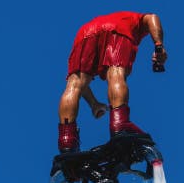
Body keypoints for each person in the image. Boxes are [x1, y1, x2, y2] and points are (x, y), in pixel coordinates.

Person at [57, 11, 167, 153]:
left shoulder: (99, 22)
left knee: (74, 84)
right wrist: (159, 46)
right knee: (116, 74)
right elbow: (152, 17)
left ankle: (67, 140)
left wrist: (94, 104)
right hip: (117, 28)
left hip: (85, 33)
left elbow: (82, 85)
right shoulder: (133, 19)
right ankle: (120, 123)